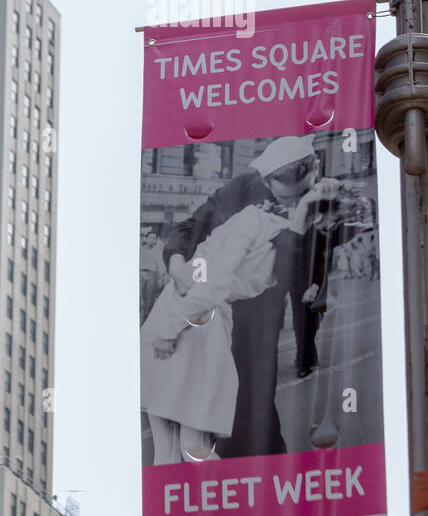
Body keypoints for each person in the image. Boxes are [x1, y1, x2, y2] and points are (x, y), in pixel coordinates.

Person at [162, 135, 340, 457]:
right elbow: (194, 224)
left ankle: (259, 465)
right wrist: (175, 258)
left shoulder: (317, 206)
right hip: (210, 303)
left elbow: (304, 270)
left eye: (298, 196)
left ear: (314, 170)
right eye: (283, 195)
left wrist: (303, 237)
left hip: (260, 312)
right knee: (196, 403)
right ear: (267, 182)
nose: (288, 204)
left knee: (253, 401)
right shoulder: (242, 189)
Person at [140, 201, 295, 463]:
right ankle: (196, 501)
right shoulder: (271, 237)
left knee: (176, 444)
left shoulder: (252, 221)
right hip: (197, 318)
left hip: (192, 319)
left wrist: (169, 330)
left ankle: (205, 502)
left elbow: (209, 287)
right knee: (183, 444)